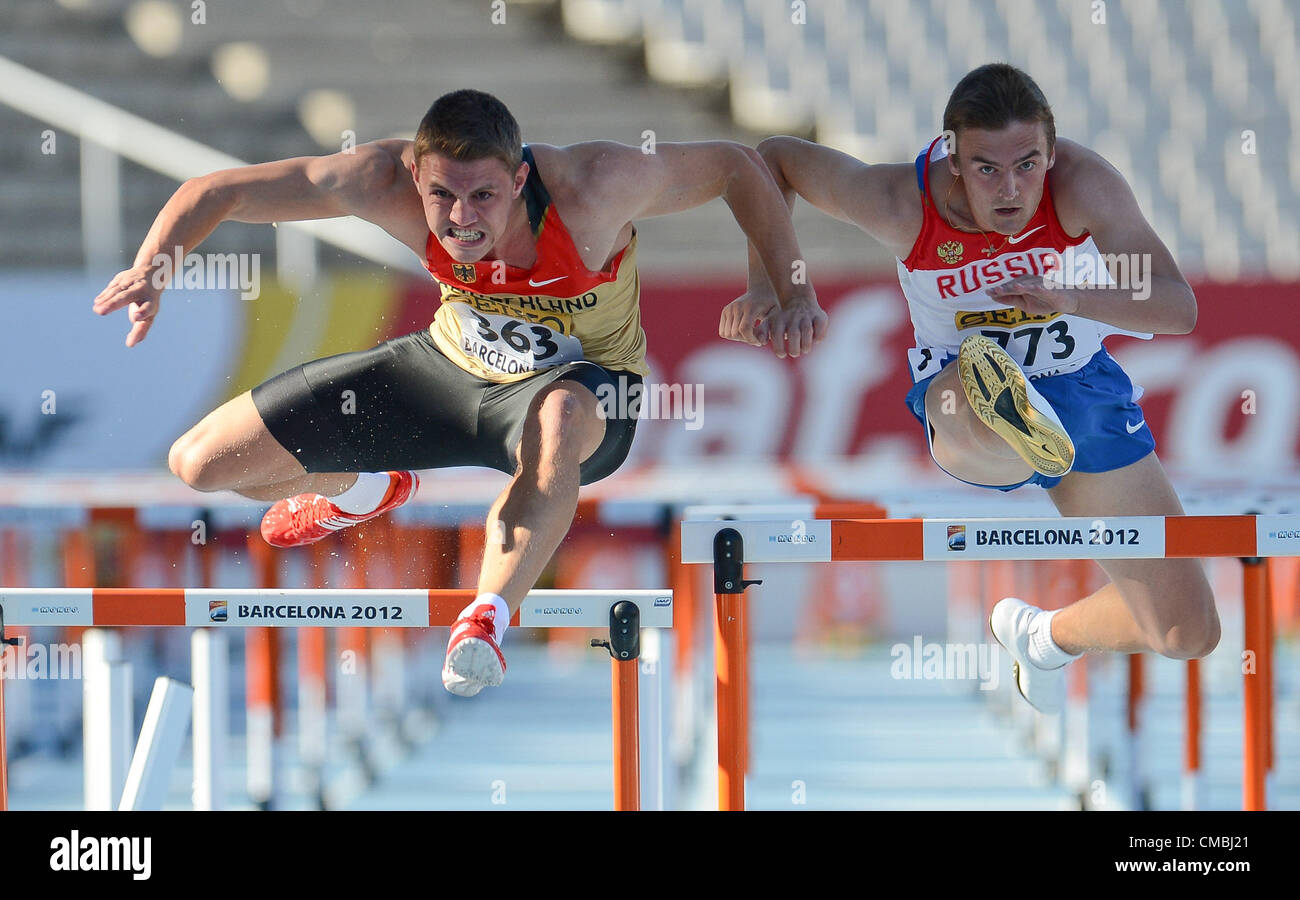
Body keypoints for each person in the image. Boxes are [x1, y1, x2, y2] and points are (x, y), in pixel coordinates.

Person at [94, 89, 827, 696]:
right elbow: (214, 192)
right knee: (202, 464)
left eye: (483, 197)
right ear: (415, 177)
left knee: (561, 412)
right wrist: (158, 262)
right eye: (442, 195)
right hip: (445, 371)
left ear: (519, 181)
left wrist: (785, 289)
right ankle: (360, 489)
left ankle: (486, 618)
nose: (461, 219)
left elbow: (739, 166)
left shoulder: (596, 187)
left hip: (591, 392)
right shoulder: (375, 178)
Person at [722, 63, 1218, 713]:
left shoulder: (1084, 184)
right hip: (959, 398)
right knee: (979, 378)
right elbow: (772, 161)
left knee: (1186, 630)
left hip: (1079, 387)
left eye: (1028, 164)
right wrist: (774, 288)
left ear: (1052, 152)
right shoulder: (903, 202)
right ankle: (1011, 411)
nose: (1011, 189)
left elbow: (1177, 306)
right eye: (987, 168)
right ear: (953, 160)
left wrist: (1072, 295)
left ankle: (1041, 637)